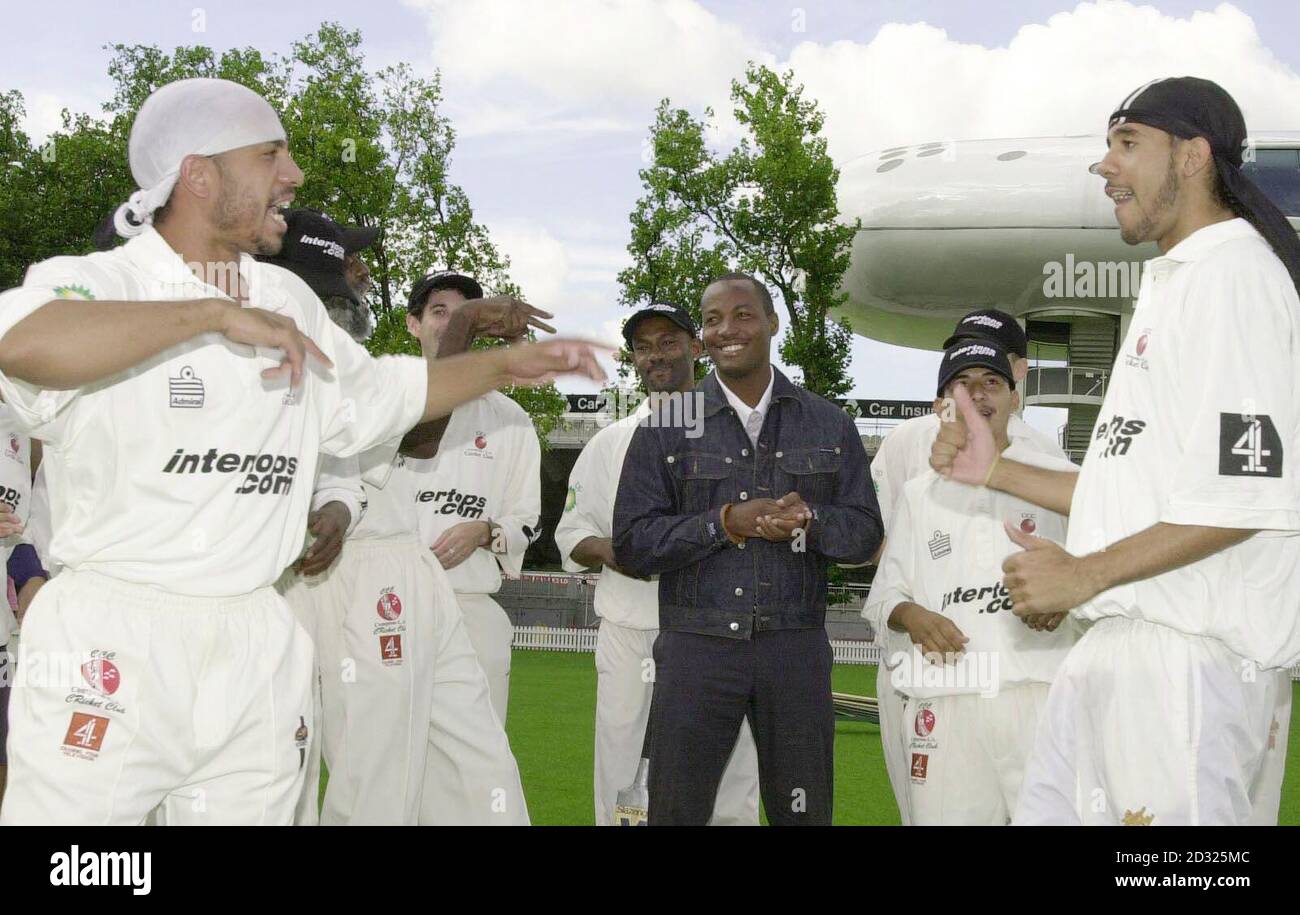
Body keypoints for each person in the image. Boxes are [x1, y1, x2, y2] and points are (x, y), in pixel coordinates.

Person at [0, 77, 605, 826]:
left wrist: (505, 365)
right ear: (198, 173)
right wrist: (208, 314)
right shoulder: (94, 281)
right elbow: (21, 342)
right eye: (270, 154)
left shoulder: (287, 299)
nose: (294, 175)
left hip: (258, 634)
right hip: (113, 642)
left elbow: (377, 396)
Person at [931, 77, 1300, 826]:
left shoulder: (1234, 280)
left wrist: (1081, 573)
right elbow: (1128, 489)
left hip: (1185, 662)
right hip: (1118, 650)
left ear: (1193, 156)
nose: (1106, 166)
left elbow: (1247, 497)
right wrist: (995, 470)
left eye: (1127, 143)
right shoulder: (1174, 282)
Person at [613, 273, 881, 825]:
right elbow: (634, 544)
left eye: (742, 315)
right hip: (695, 649)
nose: (726, 330)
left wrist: (812, 519)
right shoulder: (669, 421)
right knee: (675, 812)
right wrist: (724, 523)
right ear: (702, 337)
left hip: (794, 650)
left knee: (803, 813)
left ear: (771, 323)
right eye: (712, 320)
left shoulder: (826, 420)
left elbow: (864, 534)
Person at [555, 302, 761, 826]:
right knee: (623, 765)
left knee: (731, 771)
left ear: (696, 348)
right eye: (644, 347)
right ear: (634, 359)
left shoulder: (742, 436)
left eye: (669, 342)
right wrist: (617, 552)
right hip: (632, 628)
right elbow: (573, 534)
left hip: (723, 629)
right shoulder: (609, 442)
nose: (656, 356)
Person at [868, 308, 1066, 825]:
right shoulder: (918, 494)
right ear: (941, 404)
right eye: (961, 383)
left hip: (1038, 692)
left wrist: (1068, 597)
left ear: (1012, 398)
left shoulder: (1061, 479)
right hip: (948, 700)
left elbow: (1100, 574)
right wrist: (913, 617)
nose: (977, 395)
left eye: (991, 382)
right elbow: (887, 595)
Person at [402, 271, 541, 725]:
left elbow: (527, 521)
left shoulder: (511, 419)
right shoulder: (382, 401)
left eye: (463, 315)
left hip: (472, 606)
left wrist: (484, 531)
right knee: (387, 765)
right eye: (439, 311)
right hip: (389, 605)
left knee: (481, 767)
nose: (450, 322)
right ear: (413, 324)